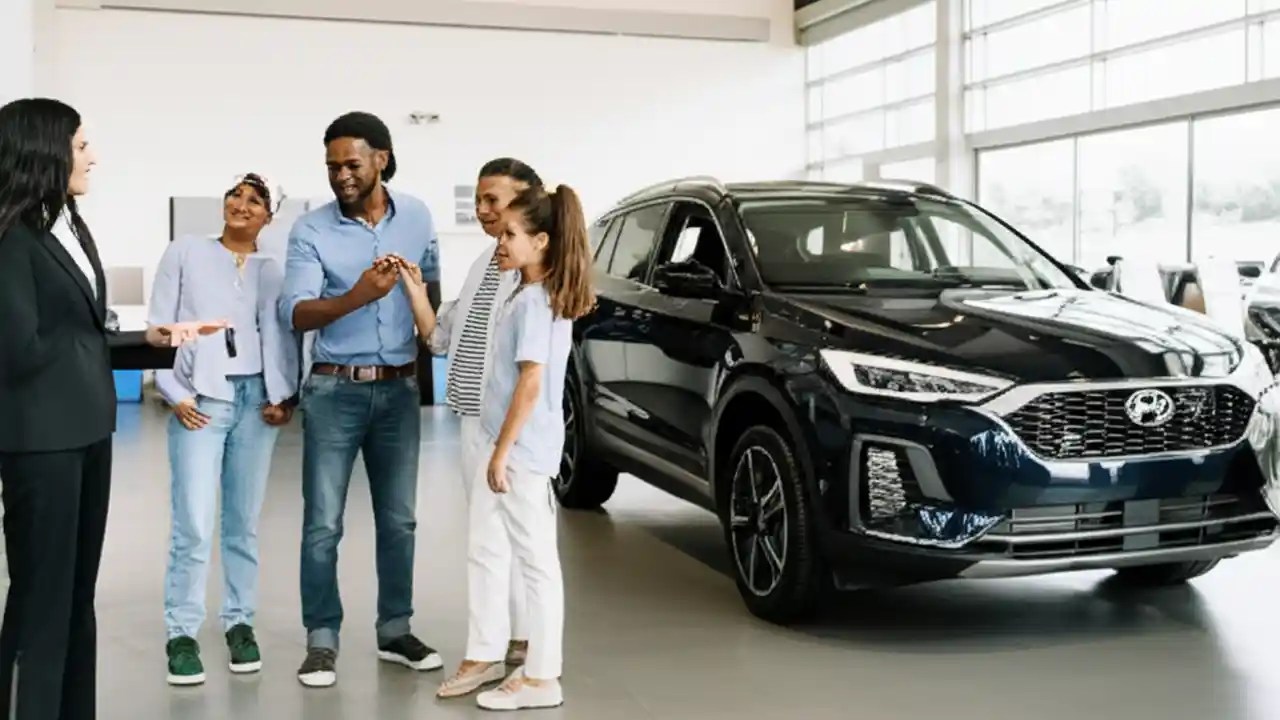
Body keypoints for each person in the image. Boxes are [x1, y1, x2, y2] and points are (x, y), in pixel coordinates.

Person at [401, 183, 595, 710]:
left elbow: (531, 383)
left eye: (509, 233)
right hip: (504, 442)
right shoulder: (520, 290)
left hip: (522, 452)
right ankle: (521, 669)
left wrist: (502, 451)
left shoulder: (536, 301)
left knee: (535, 562)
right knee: (516, 554)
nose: (499, 241)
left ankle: (541, 677)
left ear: (543, 242)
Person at [280, 111, 442, 688]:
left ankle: (395, 629)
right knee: (323, 523)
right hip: (333, 391)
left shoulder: (418, 216)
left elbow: (431, 286)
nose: (341, 176)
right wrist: (355, 297)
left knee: (400, 520)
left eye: (352, 163)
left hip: (399, 390)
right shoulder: (311, 231)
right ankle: (321, 640)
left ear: (383, 158)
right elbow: (295, 313)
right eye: (332, 166)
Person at [145, 173, 300, 686]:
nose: (241, 204)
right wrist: (176, 392)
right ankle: (182, 632)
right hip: (200, 401)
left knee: (243, 522)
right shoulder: (185, 251)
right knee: (192, 521)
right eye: (236, 194)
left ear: (268, 217)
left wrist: (284, 394)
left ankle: (239, 622)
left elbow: (280, 336)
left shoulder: (272, 268)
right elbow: (158, 330)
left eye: (255, 200)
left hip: (257, 404)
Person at [426, 158, 543, 695]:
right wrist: (410, 286)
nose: (482, 210)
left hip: (506, 427)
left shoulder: (532, 275)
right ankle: (514, 644)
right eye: (478, 199)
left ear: (528, 201)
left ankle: (488, 654)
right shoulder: (483, 263)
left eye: (494, 200)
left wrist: (505, 444)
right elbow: (443, 338)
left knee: (495, 542)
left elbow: (531, 372)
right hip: (476, 420)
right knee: (497, 538)